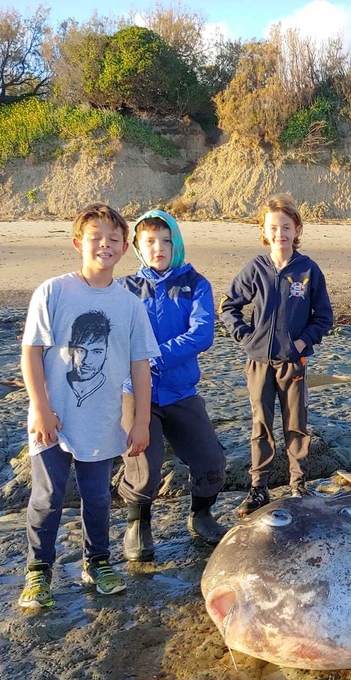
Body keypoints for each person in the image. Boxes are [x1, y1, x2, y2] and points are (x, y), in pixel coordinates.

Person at [19, 202, 160, 610]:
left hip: (102, 421)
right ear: (78, 242)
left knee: (98, 497)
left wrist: (142, 423)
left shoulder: (130, 304)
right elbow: (31, 353)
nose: (105, 245)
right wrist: (41, 408)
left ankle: (97, 562)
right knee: (47, 497)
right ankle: (38, 571)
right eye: (96, 237)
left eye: (114, 239)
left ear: (124, 247)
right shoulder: (54, 291)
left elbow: (139, 366)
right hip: (53, 420)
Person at [117, 210, 227, 562]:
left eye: (166, 240)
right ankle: (138, 524)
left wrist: (155, 356)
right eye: (149, 241)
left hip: (181, 392)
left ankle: (201, 515)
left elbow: (202, 334)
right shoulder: (124, 289)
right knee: (143, 467)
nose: (159, 248)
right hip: (135, 393)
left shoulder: (196, 283)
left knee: (211, 459)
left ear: (176, 244)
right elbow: (114, 337)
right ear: (137, 246)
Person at [219, 193, 333, 512]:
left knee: (296, 424)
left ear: (297, 230)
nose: (280, 233)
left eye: (286, 227)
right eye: (274, 227)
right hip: (258, 363)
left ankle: (298, 486)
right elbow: (229, 307)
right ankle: (259, 489)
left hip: (293, 363)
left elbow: (323, 316)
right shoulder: (255, 268)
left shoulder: (308, 270)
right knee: (262, 426)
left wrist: (300, 344)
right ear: (265, 231)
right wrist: (246, 338)